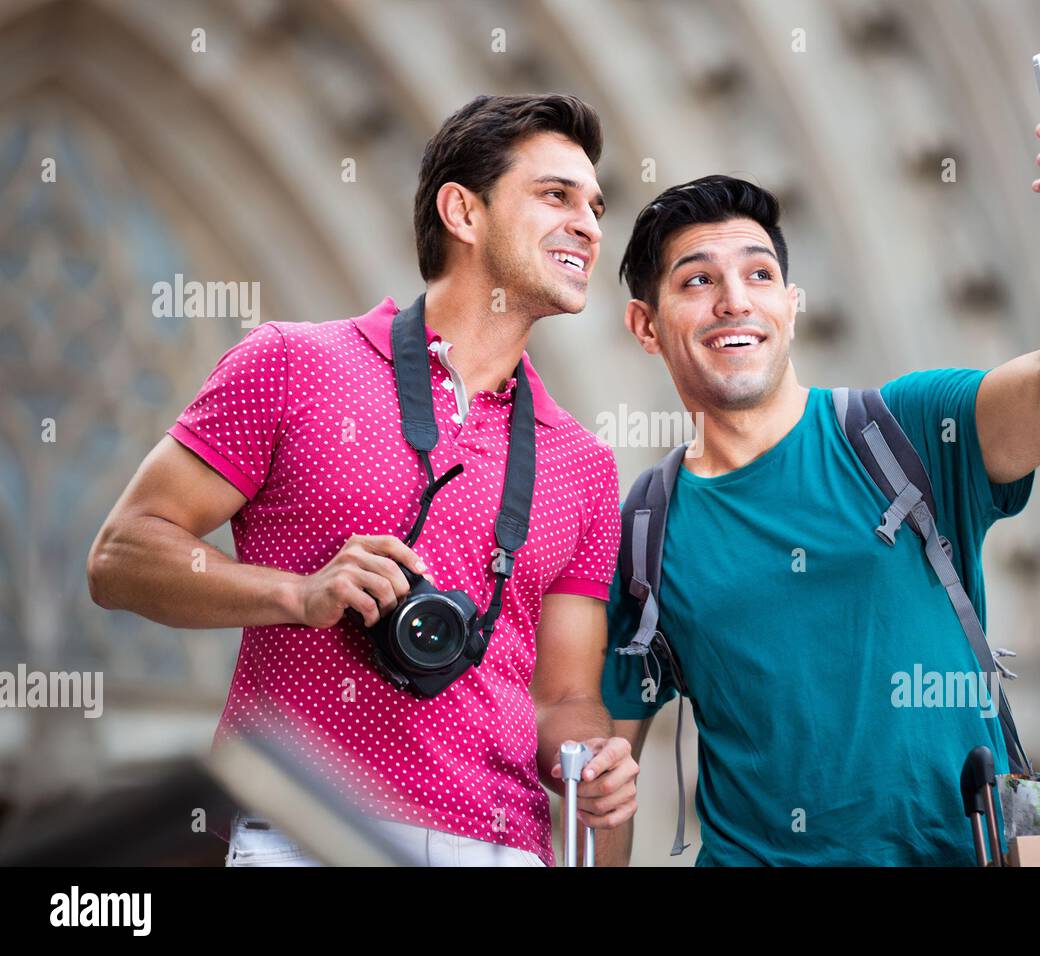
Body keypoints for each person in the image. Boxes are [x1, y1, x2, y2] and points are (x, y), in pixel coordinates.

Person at [88, 94, 638, 867]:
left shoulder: (586, 462)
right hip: (303, 831)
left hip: (503, 849)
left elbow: (564, 699)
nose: (589, 224)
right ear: (463, 212)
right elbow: (120, 557)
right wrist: (297, 594)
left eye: (596, 205)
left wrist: (595, 761)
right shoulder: (291, 363)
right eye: (556, 195)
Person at [602, 97, 1040, 865]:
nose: (734, 299)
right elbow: (607, 772)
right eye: (696, 281)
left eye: (759, 273)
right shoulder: (645, 528)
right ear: (646, 327)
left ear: (791, 305)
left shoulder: (906, 431)